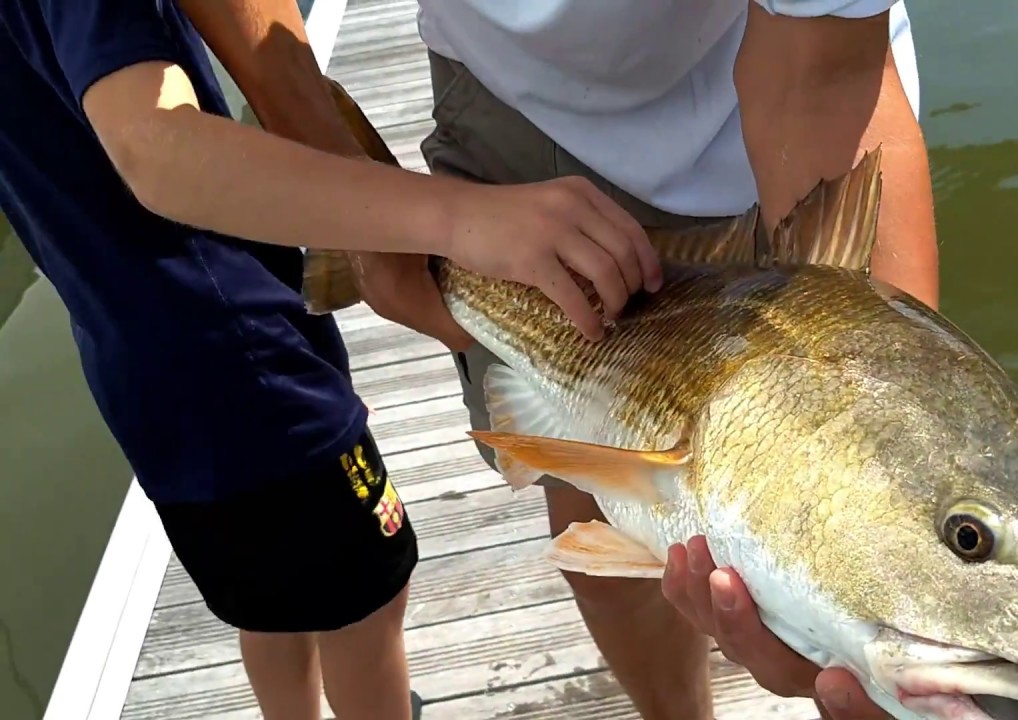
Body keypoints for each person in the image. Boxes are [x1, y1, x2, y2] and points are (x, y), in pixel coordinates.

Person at [190, 2, 938, 720]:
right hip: (509, 79)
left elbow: (826, 77)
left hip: (800, 61)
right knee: (585, 472)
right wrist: (359, 203)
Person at [0, 2, 656, 719]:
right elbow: (154, 145)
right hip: (253, 358)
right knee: (371, 598)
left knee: (269, 603)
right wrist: (455, 216)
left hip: (134, 369)